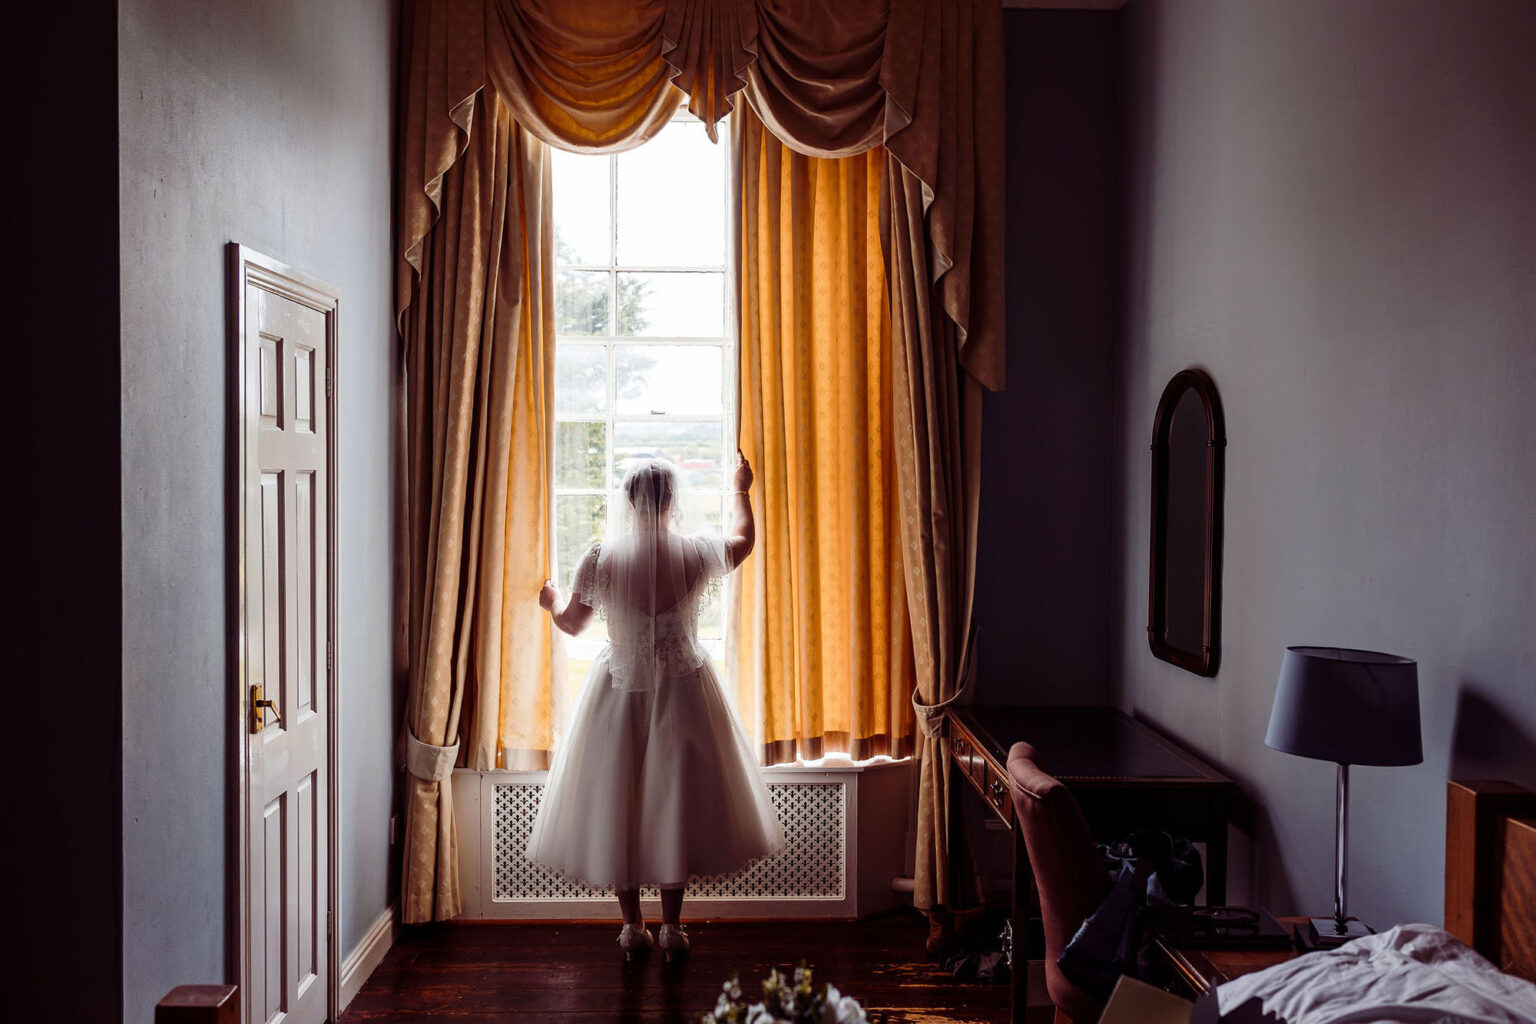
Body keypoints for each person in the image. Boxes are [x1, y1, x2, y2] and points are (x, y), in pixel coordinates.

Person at [528, 452, 784, 961]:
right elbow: (745, 541)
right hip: (684, 690)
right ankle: (671, 927)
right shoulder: (695, 554)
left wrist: (552, 600)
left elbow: (574, 625)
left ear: (628, 500)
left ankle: (631, 927)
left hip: (619, 691)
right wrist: (741, 488)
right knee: (675, 803)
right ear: (672, 501)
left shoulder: (601, 558)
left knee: (615, 802)